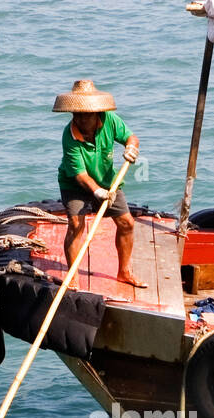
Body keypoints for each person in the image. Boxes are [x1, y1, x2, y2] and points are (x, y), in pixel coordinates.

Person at [52, 79, 144, 289]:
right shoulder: (70, 135)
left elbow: (131, 137)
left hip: (107, 181)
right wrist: (97, 192)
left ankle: (124, 272)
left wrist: (131, 147)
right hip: (74, 184)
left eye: (85, 114)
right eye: (76, 113)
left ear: (95, 113)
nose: (80, 118)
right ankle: (72, 276)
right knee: (76, 225)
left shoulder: (110, 120)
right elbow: (80, 175)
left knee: (127, 223)